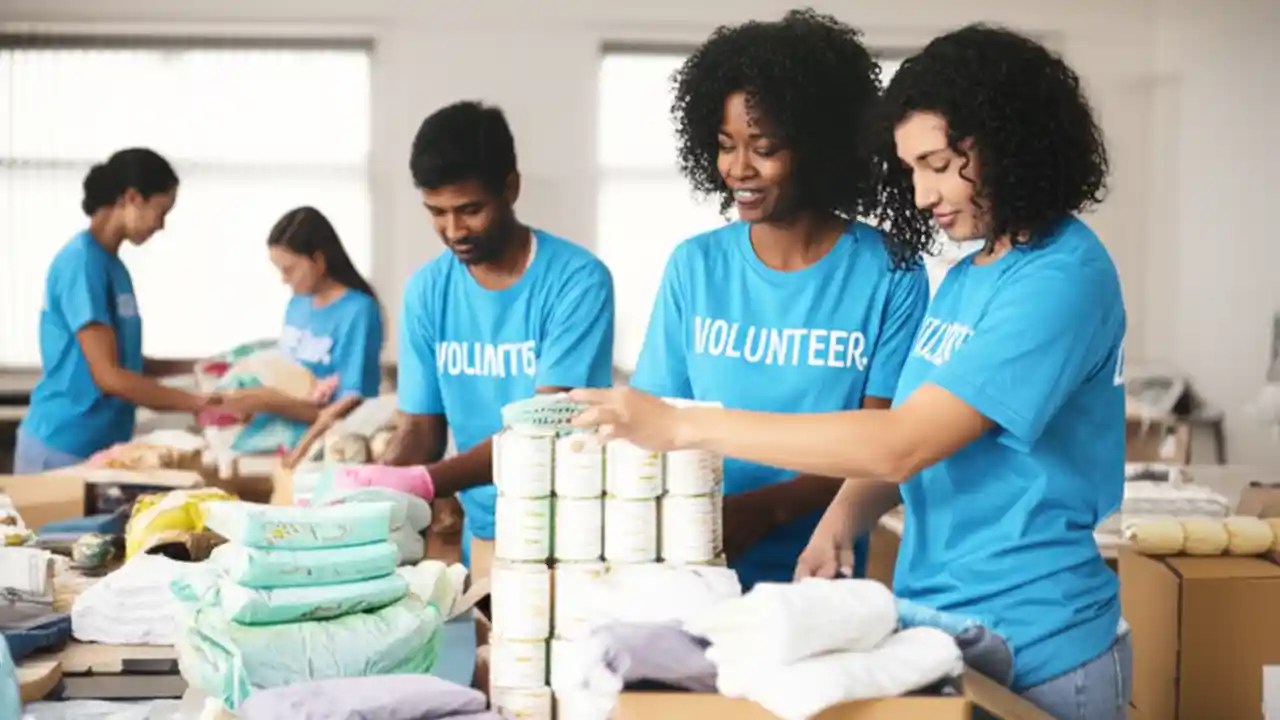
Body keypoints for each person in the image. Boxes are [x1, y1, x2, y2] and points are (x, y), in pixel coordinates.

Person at [569, 24, 1128, 720]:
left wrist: (684, 424)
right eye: (911, 168)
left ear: (1008, 141)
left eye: (938, 162)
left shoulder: (1060, 279)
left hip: (1037, 639)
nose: (922, 194)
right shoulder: (973, 272)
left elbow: (902, 439)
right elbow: (907, 454)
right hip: (943, 618)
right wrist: (842, 516)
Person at [629, 9, 927, 589]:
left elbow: (881, 448)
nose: (739, 169)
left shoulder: (891, 271)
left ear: (817, 148)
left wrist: (766, 510)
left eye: (762, 147)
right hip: (691, 572)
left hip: (816, 580)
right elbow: (657, 420)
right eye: (724, 146)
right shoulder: (696, 266)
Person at [382, 101, 615, 571]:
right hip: (484, 533)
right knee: (487, 644)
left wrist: (424, 482)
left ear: (510, 187)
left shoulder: (577, 281)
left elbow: (541, 432)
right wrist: (378, 485)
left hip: (568, 536)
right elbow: (420, 429)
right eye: (437, 213)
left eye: (470, 210)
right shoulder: (428, 290)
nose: (453, 230)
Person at [16, 148, 222, 474]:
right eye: (160, 211)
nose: (161, 225)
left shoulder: (113, 267)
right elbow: (109, 376)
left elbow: (128, 362)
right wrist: (194, 404)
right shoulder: (81, 264)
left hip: (101, 444)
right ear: (132, 198)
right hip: (65, 444)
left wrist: (199, 366)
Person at [218, 206, 384, 445]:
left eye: (289, 269)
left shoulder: (358, 310)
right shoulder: (297, 303)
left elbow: (351, 400)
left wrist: (270, 402)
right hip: (281, 431)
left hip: (330, 439)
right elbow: (286, 371)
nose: (283, 280)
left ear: (318, 260)